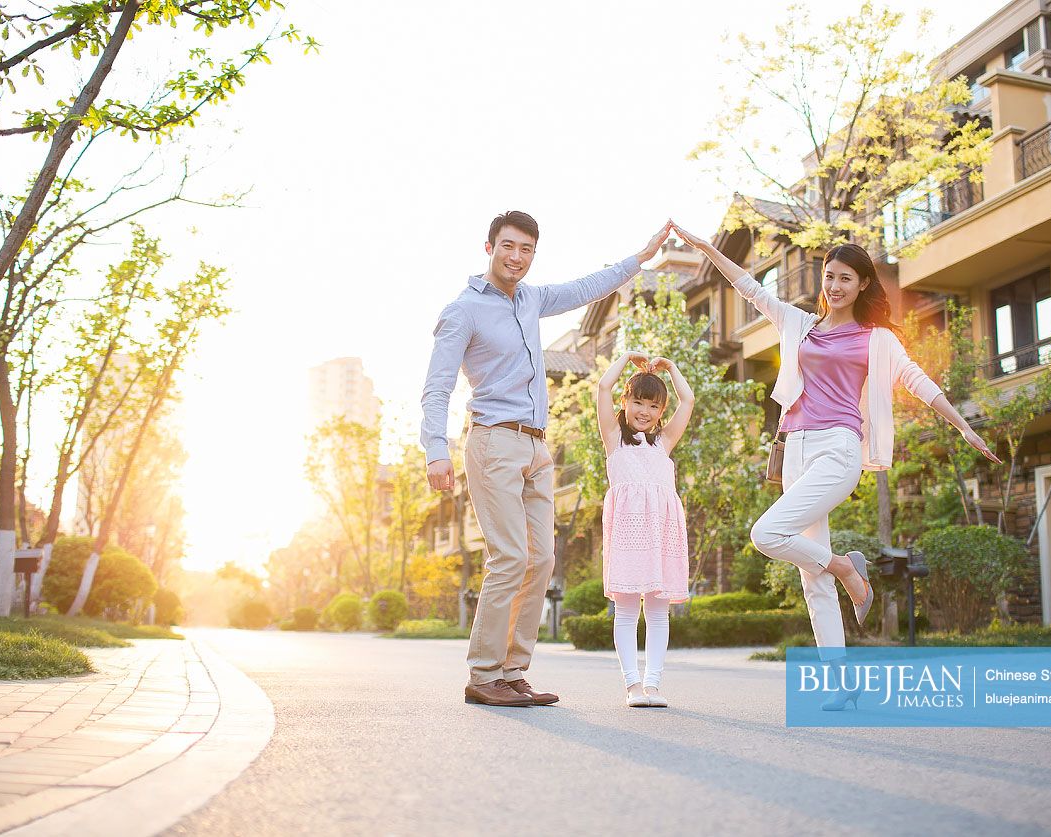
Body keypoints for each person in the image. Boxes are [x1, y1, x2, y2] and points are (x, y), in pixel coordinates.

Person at [672, 226, 1000, 709]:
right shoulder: (799, 324)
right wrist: (705, 249)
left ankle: (848, 568)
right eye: (829, 276)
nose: (835, 286)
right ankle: (840, 685)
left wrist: (964, 427)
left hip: (839, 448)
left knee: (767, 534)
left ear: (863, 283)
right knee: (811, 575)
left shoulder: (877, 338)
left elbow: (915, 379)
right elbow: (749, 285)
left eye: (845, 278)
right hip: (796, 449)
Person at [422, 210, 673, 707]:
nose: (517, 257)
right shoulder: (463, 310)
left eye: (527, 250)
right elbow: (438, 384)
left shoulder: (533, 299)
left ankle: (513, 671)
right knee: (510, 557)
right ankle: (483, 673)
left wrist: (640, 259)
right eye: (509, 246)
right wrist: (435, 449)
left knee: (541, 559)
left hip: (538, 445)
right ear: (489, 246)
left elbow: (587, 287)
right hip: (494, 441)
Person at [596, 351, 694, 708]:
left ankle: (653, 685)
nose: (645, 412)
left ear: (661, 412)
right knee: (625, 610)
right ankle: (632, 686)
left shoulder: (663, 443)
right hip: (627, 534)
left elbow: (689, 399)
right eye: (638, 402)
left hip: (662, 535)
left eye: (653, 406)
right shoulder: (614, 439)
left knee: (657, 611)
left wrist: (671, 366)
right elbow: (603, 387)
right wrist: (624, 357)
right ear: (625, 402)